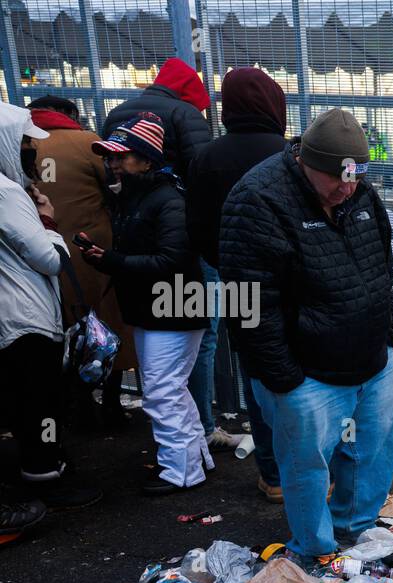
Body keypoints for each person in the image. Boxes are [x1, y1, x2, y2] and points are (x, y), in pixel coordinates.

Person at [221, 108, 393, 562]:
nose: (347, 189)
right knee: (307, 470)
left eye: (356, 177)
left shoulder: (358, 193)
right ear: (306, 162)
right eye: (336, 180)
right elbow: (247, 304)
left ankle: (355, 535)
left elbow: (381, 265)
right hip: (306, 374)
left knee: (371, 453)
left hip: (371, 360)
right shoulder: (257, 201)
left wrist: (386, 333)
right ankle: (317, 553)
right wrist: (283, 379)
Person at [82, 113, 213, 495]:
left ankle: (180, 473)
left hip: (172, 308)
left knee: (161, 392)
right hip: (158, 308)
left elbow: (171, 260)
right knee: (171, 389)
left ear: (147, 160)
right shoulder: (140, 196)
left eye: (122, 157)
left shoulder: (165, 199)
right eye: (110, 157)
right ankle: (193, 462)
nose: (113, 163)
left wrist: (110, 261)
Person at [186, 67, 290, 502]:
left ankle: (272, 477)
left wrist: (226, 265)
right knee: (300, 379)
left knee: (256, 379)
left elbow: (197, 229)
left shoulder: (206, 157)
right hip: (289, 287)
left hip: (236, 286)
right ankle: (308, 471)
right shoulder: (288, 154)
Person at [0, 102, 102, 513]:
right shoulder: (7, 194)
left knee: (29, 398)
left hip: (11, 312)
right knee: (40, 399)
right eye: (25, 143)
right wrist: (48, 221)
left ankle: (42, 467)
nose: (33, 151)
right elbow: (48, 258)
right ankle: (46, 478)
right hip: (25, 316)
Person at [27, 95, 134, 428]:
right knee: (108, 327)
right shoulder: (86, 142)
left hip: (43, 251)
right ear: (68, 115)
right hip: (93, 251)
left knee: (66, 329)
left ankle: (80, 405)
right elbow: (115, 186)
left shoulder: (23, 145)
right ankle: (113, 405)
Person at [102, 57, 211, 181]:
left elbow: (107, 158)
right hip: (174, 194)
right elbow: (201, 165)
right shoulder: (186, 113)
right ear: (189, 92)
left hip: (123, 194)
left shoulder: (116, 112)